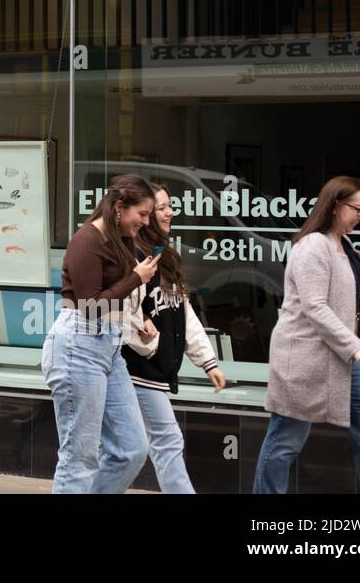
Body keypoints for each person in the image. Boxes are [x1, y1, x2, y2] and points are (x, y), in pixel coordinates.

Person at [254, 176, 360, 493]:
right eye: (358, 209)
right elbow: (315, 306)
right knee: (286, 441)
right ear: (335, 206)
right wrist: (356, 347)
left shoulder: (344, 245)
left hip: (345, 356)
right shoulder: (313, 246)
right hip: (306, 358)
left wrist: (355, 347)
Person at [42, 173, 159, 493]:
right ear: (120, 207)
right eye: (143, 214)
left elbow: (114, 300)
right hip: (77, 347)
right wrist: (136, 277)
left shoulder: (120, 239)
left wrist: (137, 322)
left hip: (109, 346)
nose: (146, 222)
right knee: (79, 456)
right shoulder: (87, 240)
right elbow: (90, 307)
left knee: (132, 449)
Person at [123, 183, 226, 493]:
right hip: (137, 369)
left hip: (155, 369)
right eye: (161, 207)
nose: (169, 212)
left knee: (126, 448)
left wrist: (208, 362)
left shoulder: (165, 257)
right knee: (165, 440)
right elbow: (111, 305)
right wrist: (140, 324)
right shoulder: (131, 255)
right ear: (144, 215)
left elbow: (184, 314)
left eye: (170, 206)